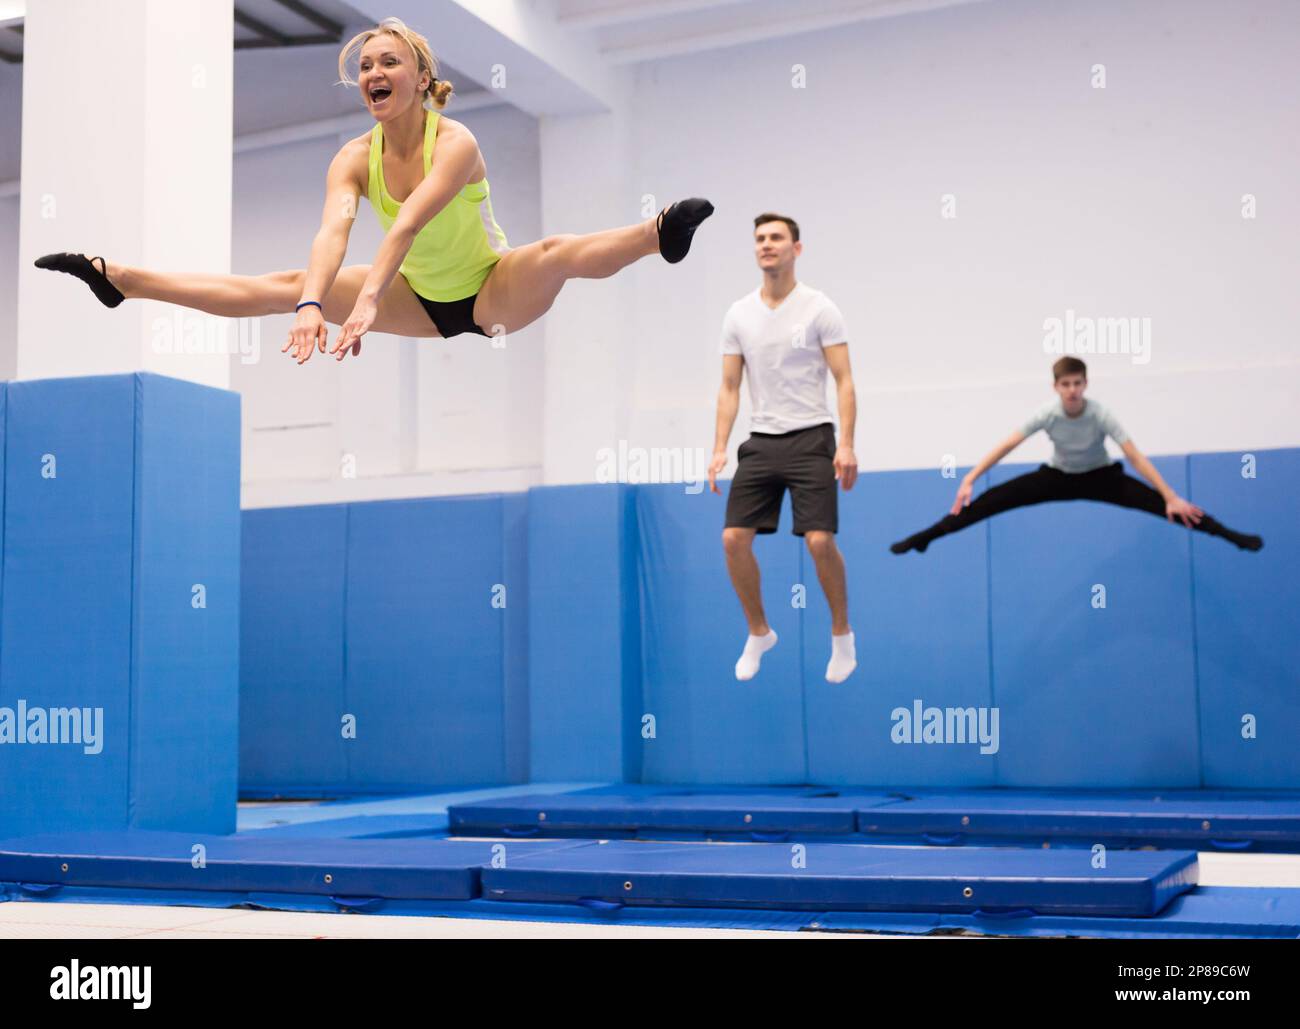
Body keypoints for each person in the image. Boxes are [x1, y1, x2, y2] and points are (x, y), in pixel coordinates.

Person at [35, 17, 713, 362]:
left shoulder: (456, 143)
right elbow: (334, 231)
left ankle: (659, 234)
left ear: (421, 78)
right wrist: (309, 303)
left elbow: (407, 224)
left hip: (491, 291)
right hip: (415, 301)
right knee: (284, 280)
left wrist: (359, 304)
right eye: (364, 66)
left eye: (389, 61)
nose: (373, 72)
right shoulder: (355, 156)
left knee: (558, 250)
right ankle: (122, 279)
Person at [890, 356, 1264, 554]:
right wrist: (969, 478)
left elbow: (1134, 456)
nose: (1072, 390)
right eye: (1065, 384)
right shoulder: (1047, 413)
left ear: (1086, 384)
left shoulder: (1100, 413)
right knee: (990, 502)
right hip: (1057, 477)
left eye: (1077, 383)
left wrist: (1169, 495)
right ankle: (927, 536)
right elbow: (1007, 445)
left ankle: (1229, 535)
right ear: (1055, 386)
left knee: (1170, 508)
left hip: (1104, 479)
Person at [708, 213, 860, 684]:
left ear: (797, 248)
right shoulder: (739, 314)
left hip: (813, 435)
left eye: (776, 238)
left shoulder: (820, 309)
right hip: (762, 441)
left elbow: (845, 380)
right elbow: (729, 387)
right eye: (760, 239)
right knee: (733, 539)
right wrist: (719, 448)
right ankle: (759, 631)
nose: (766, 245)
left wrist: (848, 444)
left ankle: (841, 636)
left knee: (819, 540)